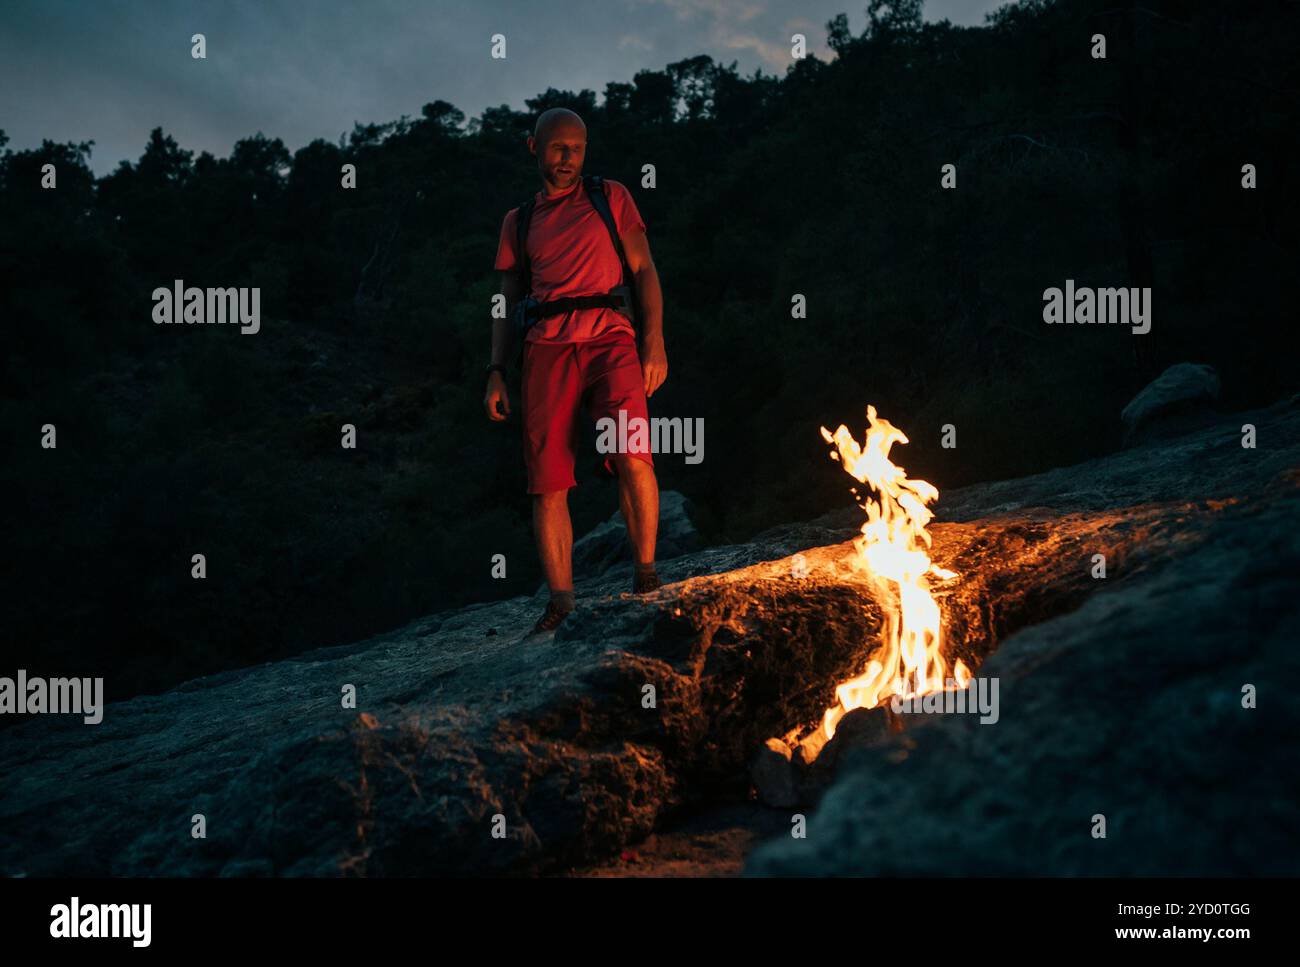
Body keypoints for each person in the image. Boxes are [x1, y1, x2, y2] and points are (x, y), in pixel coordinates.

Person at [484, 108, 668, 635]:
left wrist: (653, 343)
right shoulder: (518, 222)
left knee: (632, 453)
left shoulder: (610, 197)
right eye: (558, 147)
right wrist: (496, 369)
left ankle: (647, 577)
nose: (567, 158)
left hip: (613, 341)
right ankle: (562, 604)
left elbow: (645, 269)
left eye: (577, 148)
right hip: (546, 350)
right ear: (533, 147)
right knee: (547, 482)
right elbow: (505, 300)